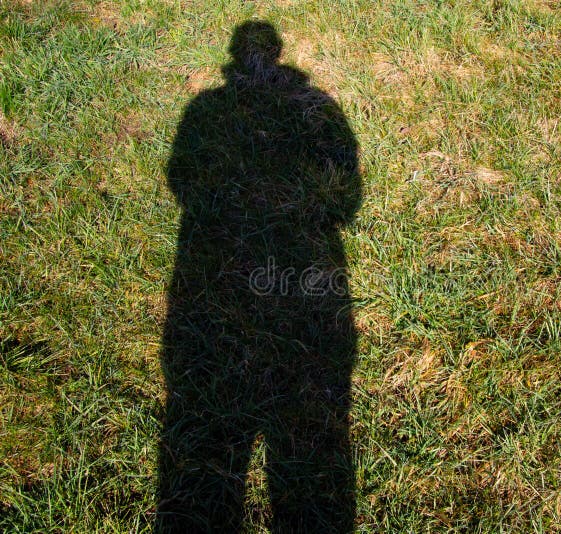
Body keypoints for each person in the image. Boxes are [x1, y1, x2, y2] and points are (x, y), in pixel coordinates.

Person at [156, 21, 361, 532]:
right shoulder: (313, 105)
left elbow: (182, 176)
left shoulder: (206, 107)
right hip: (300, 279)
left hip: (219, 273)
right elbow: (345, 191)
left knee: (203, 438)